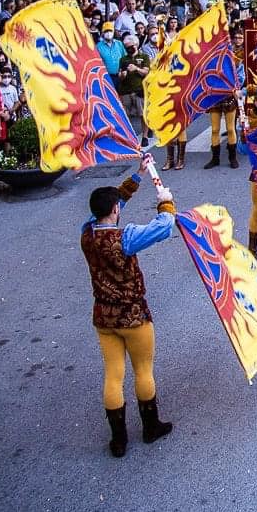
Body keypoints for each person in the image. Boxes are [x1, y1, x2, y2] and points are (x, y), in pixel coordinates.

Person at [81, 170, 177, 458]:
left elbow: (114, 203)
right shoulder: (127, 237)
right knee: (143, 371)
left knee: (113, 375)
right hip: (134, 317)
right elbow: (164, 226)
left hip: (104, 318)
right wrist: (165, 201)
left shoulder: (87, 233)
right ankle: (150, 428)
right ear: (115, 211)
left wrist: (135, 178)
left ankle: (119, 440)